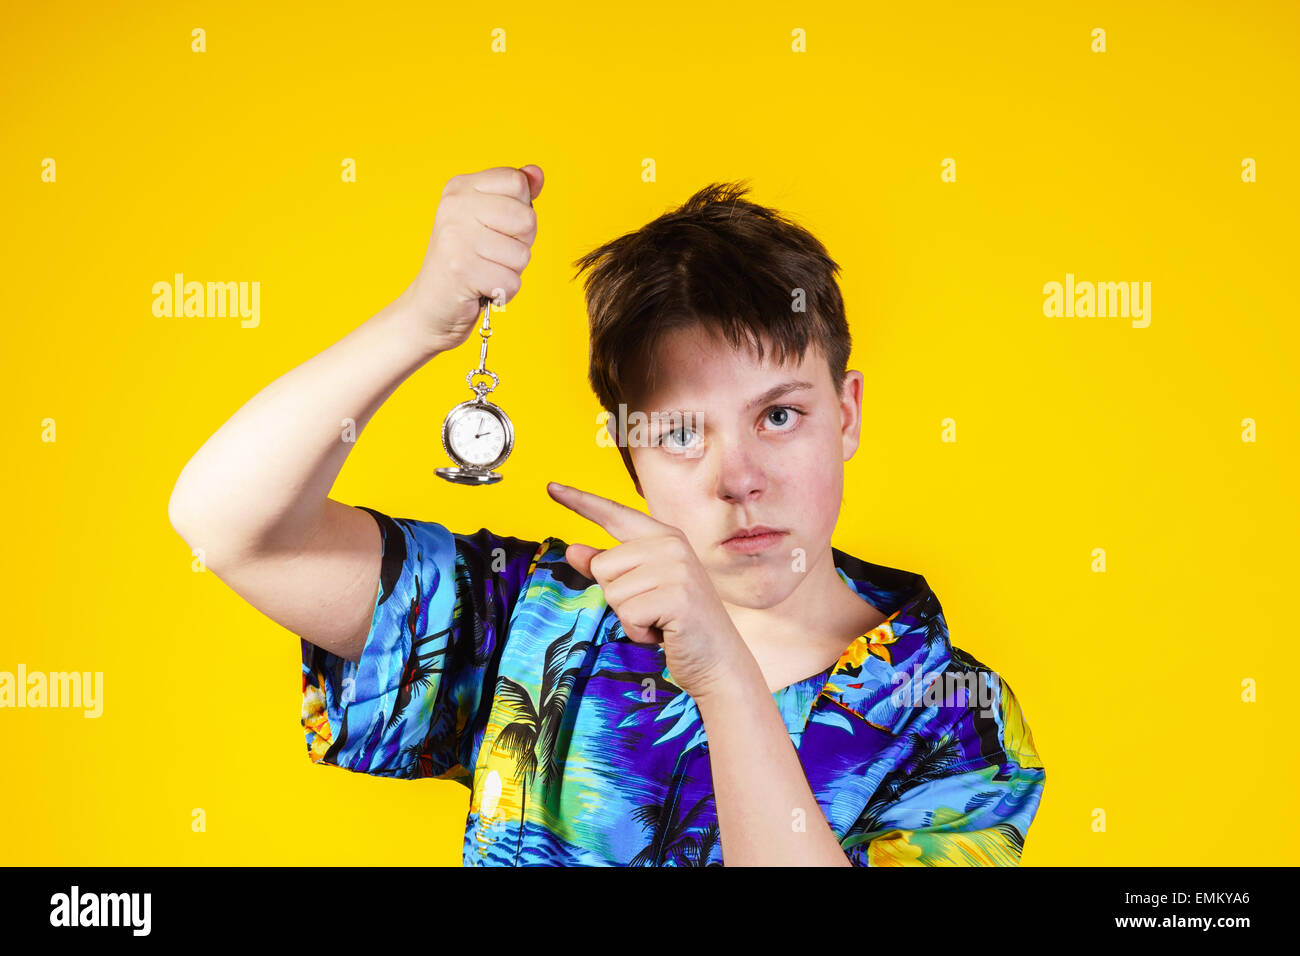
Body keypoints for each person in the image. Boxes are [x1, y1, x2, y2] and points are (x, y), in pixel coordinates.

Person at [168, 164, 1046, 866]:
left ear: (846, 414)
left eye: (780, 416)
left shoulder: (955, 718)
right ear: (629, 452)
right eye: (680, 434)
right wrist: (422, 320)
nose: (738, 479)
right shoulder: (536, 620)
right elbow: (230, 528)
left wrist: (725, 677)